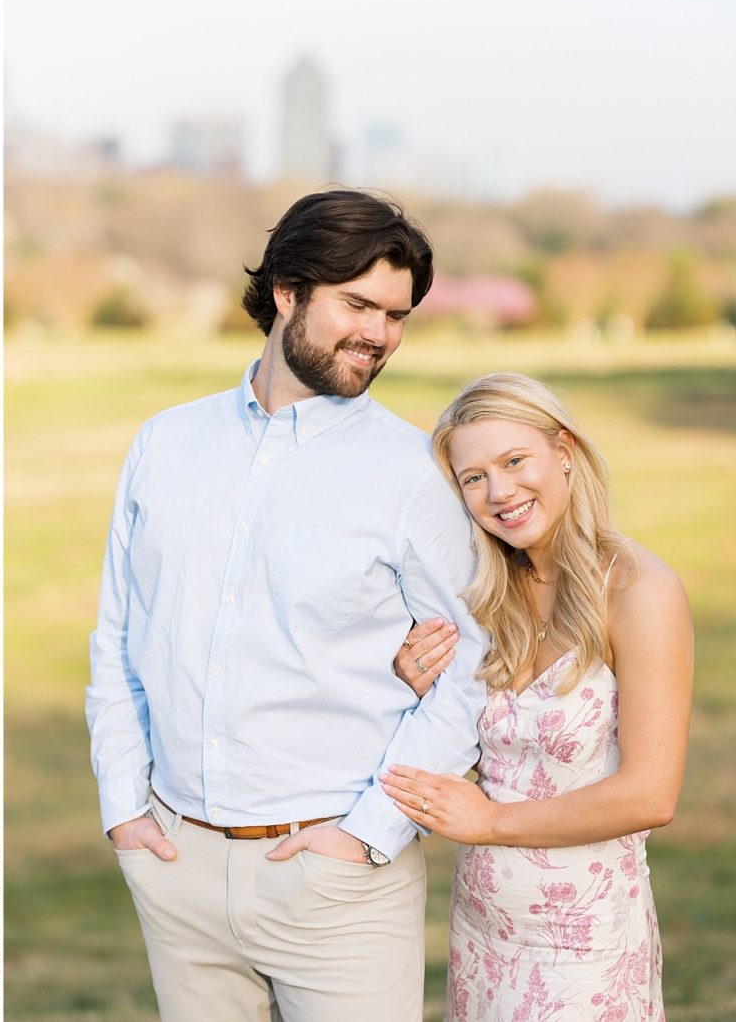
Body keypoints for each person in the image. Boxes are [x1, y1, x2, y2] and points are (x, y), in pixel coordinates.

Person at [87, 188, 490, 1020]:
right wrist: (124, 807)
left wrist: (368, 832)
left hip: (340, 881)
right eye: (358, 304)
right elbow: (120, 638)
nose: (380, 334)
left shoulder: (414, 474)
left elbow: (471, 669)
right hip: (176, 866)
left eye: (397, 315)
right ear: (286, 292)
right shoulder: (165, 443)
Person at [381, 373, 693, 1020]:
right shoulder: (487, 596)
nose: (499, 492)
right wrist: (416, 689)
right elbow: (485, 758)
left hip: (586, 951)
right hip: (481, 936)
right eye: (473, 478)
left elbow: (651, 795)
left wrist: (489, 823)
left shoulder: (639, 592)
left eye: (514, 461)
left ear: (566, 452)